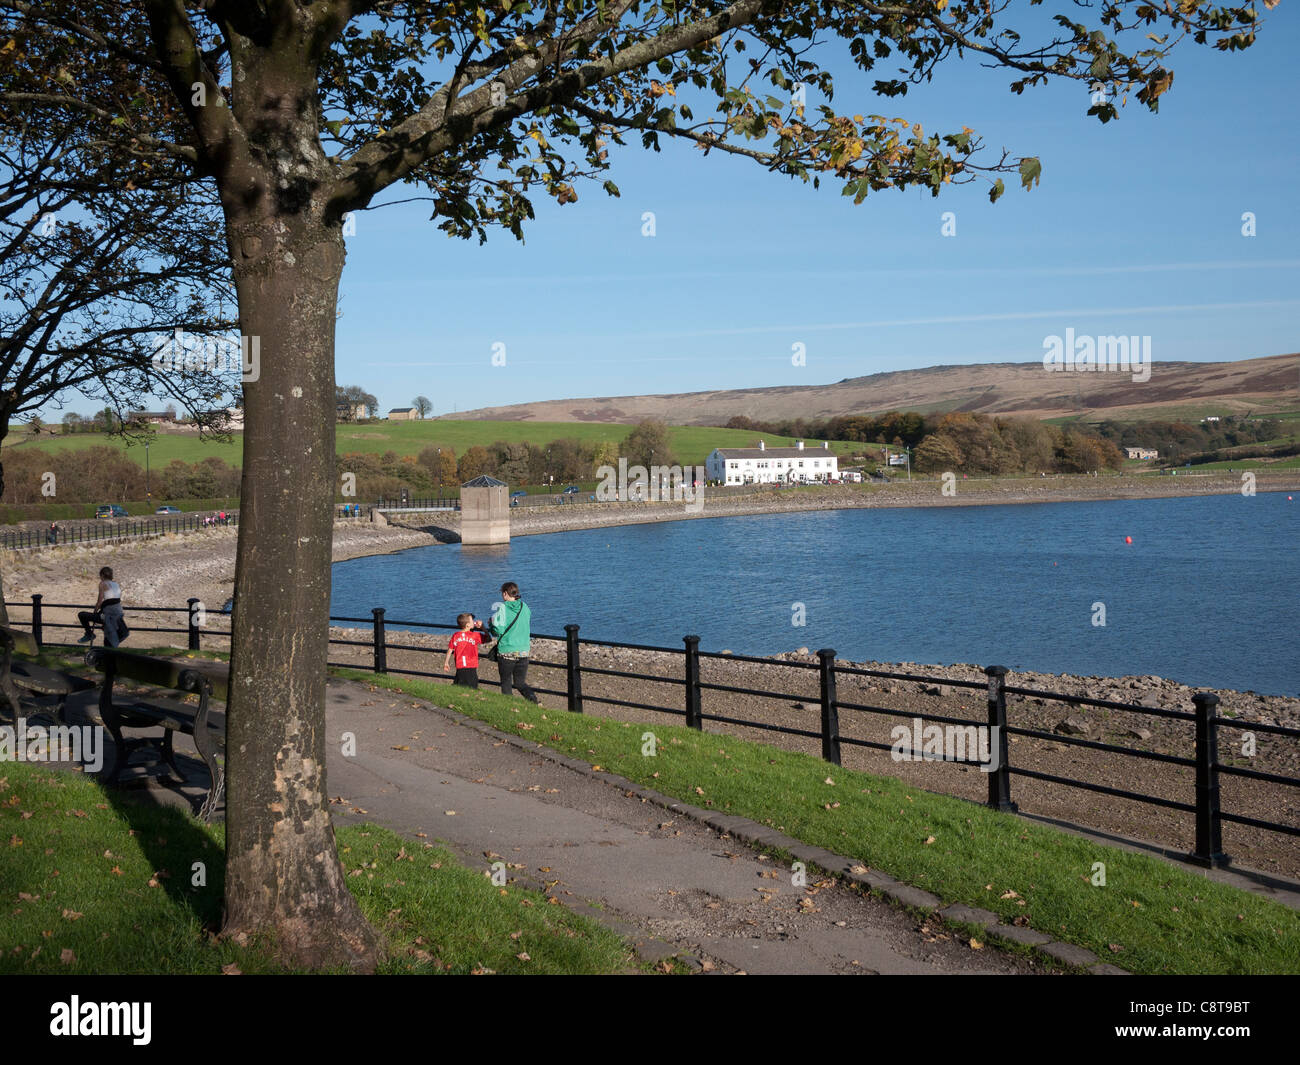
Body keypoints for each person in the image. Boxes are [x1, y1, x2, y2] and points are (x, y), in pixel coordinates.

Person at [488, 581, 537, 702]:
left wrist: (491, 624)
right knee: (520, 683)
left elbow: (498, 630)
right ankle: (534, 700)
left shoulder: (503, 608)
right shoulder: (524, 606)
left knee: (506, 683)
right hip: (523, 650)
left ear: (505, 594)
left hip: (507, 651)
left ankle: (509, 706)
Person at [77, 566, 126, 647]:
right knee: (108, 642)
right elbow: (114, 600)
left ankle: (89, 634)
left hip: (108, 616)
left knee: (82, 615)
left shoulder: (103, 584)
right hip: (118, 615)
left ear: (102, 575)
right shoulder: (116, 584)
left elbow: (99, 602)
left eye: (100, 576)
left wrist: (95, 612)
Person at [443, 613, 485, 688]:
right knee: (472, 685)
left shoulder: (456, 635)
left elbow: (450, 649)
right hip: (471, 664)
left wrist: (446, 662)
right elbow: (488, 638)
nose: (474, 622)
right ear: (468, 625)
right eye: (472, 621)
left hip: (460, 664)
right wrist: (482, 627)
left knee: (460, 683)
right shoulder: (475, 635)